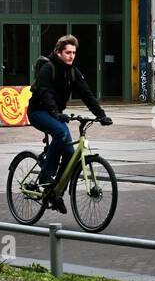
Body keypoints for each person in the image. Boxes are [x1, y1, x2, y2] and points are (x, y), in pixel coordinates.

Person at [27, 34, 112, 212]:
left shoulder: (73, 72)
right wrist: (56, 113)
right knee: (61, 133)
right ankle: (45, 175)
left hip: (55, 114)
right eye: (68, 52)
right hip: (38, 112)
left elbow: (87, 94)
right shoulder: (48, 69)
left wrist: (101, 115)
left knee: (70, 154)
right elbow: (46, 94)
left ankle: (55, 193)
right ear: (58, 52)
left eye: (74, 52)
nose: (71, 56)